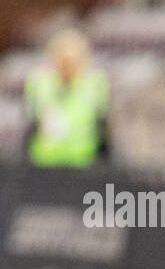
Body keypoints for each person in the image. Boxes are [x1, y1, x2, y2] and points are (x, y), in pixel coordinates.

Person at [24, 29, 109, 167]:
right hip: (44, 160)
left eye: (72, 60)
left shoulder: (96, 83)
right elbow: (32, 125)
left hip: (84, 161)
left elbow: (102, 125)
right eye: (62, 59)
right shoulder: (39, 82)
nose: (67, 66)